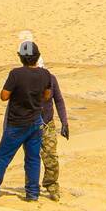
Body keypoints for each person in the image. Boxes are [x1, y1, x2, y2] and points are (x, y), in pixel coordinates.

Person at [0, 40, 53, 202]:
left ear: (21, 58)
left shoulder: (16, 74)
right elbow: (47, 95)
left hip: (17, 123)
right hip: (35, 121)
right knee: (33, 159)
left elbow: (4, 96)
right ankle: (32, 193)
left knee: (2, 158)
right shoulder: (45, 74)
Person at [37, 54, 69, 201]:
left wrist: (64, 122)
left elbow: (59, 100)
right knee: (31, 159)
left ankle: (52, 185)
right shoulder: (25, 79)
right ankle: (31, 187)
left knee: (51, 157)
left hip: (47, 124)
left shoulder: (51, 79)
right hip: (30, 125)